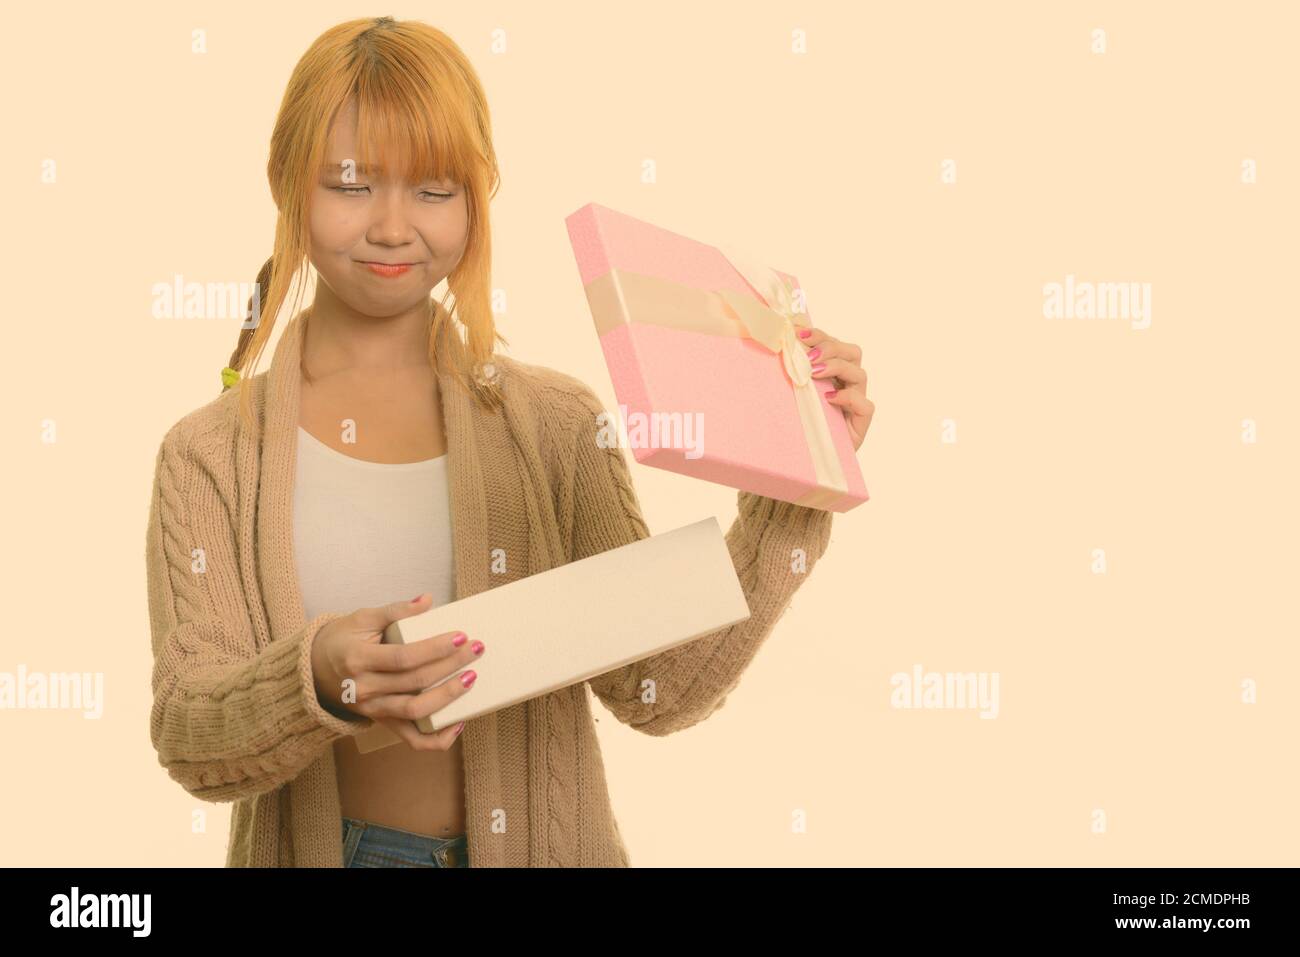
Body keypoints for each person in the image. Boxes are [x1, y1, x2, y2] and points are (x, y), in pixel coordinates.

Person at [144, 16, 875, 868]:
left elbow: (659, 688)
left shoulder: (556, 424)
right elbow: (189, 733)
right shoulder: (210, 455)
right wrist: (319, 677)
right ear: (286, 184)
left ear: (477, 198)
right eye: (350, 184)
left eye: (434, 189)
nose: (392, 226)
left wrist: (800, 486)